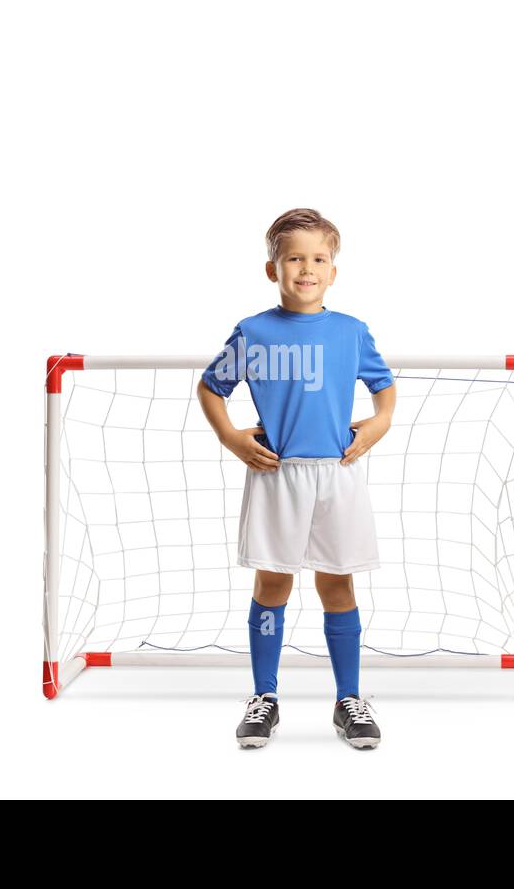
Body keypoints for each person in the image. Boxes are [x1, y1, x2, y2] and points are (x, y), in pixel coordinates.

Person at [196, 208, 396, 749]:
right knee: (272, 583)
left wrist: (377, 425)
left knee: (337, 583)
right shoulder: (254, 330)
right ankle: (264, 698)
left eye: (318, 259)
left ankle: (349, 699)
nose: (306, 269)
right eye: (294, 259)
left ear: (333, 271)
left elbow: (384, 390)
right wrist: (233, 438)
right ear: (272, 269)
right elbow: (211, 388)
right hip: (276, 474)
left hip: (337, 474)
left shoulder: (352, 332)